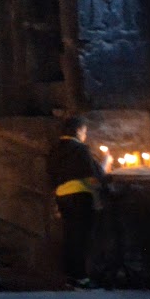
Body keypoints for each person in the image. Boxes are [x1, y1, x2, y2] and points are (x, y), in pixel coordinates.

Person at [47, 115, 109, 289]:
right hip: (80, 196)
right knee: (82, 238)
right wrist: (105, 163)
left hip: (62, 196)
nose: (85, 135)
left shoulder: (55, 149)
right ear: (79, 130)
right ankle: (82, 277)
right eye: (84, 131)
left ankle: (70, 277)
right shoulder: (80, 149)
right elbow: (93, 176)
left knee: (70, 236)